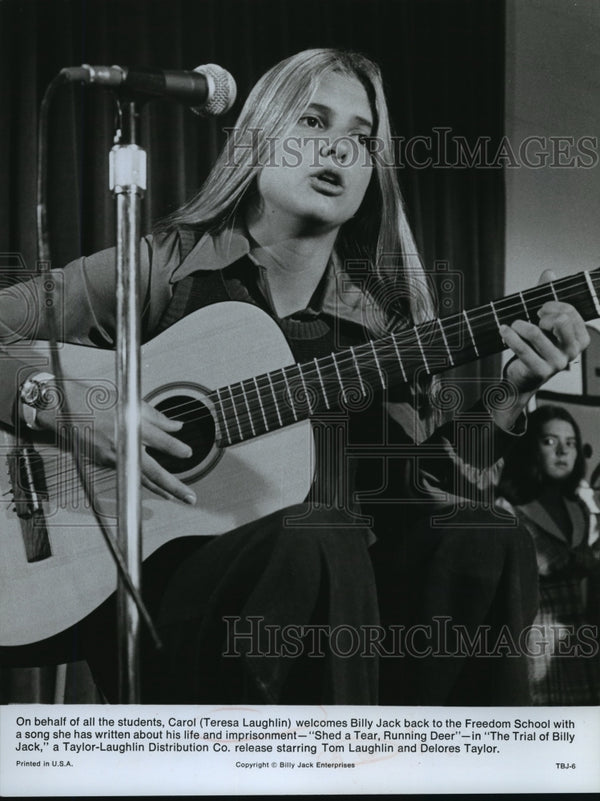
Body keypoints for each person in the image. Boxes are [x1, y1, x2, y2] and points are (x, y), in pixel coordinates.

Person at [0, 49, 591, 705]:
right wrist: (68, 406)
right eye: (313, 122)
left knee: (490, 543)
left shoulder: (380, 324)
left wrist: (513, 391)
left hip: (339, 619)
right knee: (317, 534)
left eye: (360, 139)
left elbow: (423, 491)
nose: (337, 150)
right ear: (259, 135)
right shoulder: (162, 266)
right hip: (169, 605)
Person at [496, 406, 600, 704]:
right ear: (531, 448)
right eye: (550, 441)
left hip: (582, 641)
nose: (562, 452)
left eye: (570, 444)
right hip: (536, 643)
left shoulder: (579, 508)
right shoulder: (508, 509)